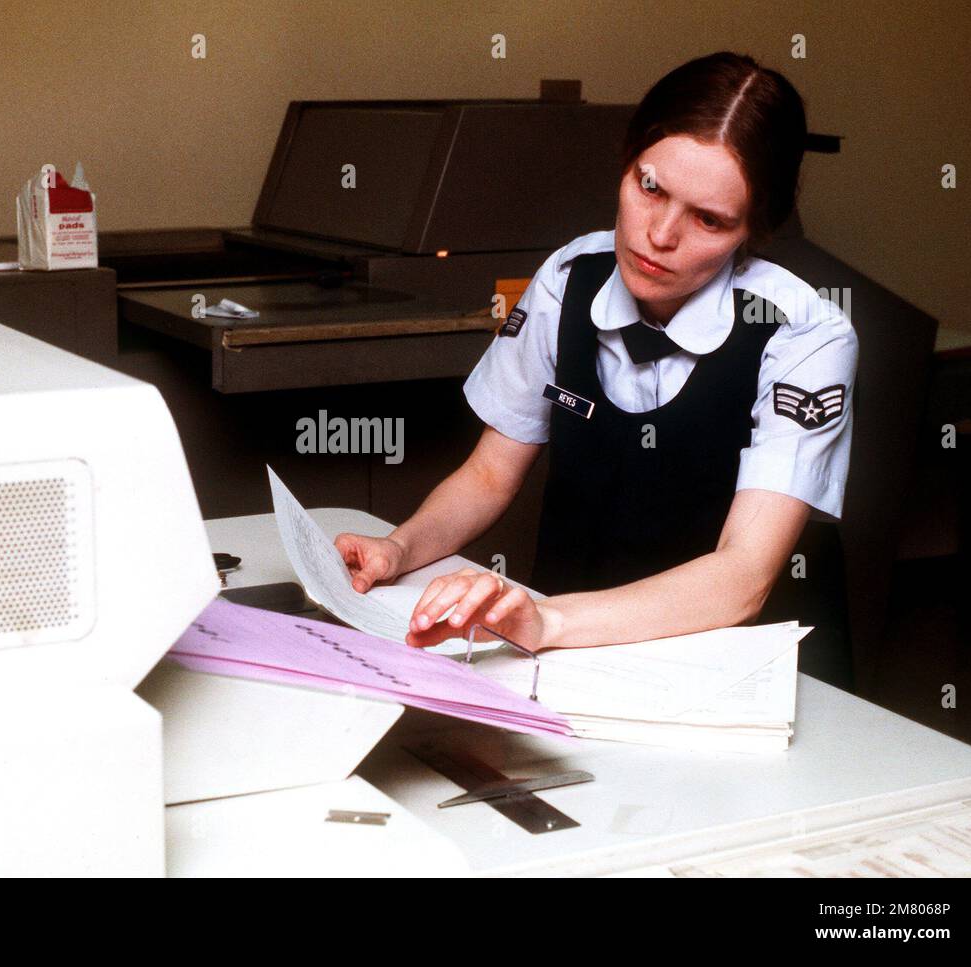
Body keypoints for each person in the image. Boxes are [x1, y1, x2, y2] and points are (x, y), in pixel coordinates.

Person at [333, 51, 858, 690]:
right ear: (627, 162)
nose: (659, 235)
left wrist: (548, 621)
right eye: (650, 186)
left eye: (709, 219)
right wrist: (401, 548)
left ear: (754, 230)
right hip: (566, 657)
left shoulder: (805, 331)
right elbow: (491, 474)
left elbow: (743, 579)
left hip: (727, 676)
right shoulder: (567, 278)